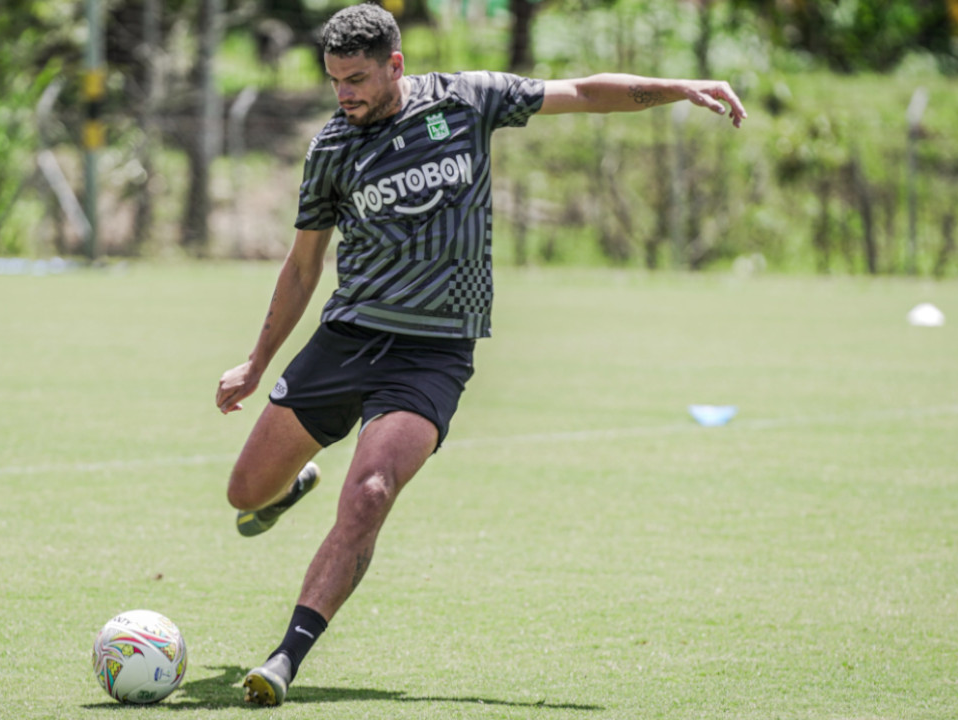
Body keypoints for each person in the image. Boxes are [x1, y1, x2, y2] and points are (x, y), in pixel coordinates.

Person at [215, 2, 746, 707]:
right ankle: (293, 485)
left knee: (370, 494)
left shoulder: (464, 102)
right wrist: (256, 362)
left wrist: (677, 87)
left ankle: (285, 657)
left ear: (395, 65)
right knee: (245, 494)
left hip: (432, 356)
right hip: (346, 339)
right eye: (335, 80)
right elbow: (303, 266)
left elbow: (585, 94)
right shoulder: (333, 148)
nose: (345, 94)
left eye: (358, 79)